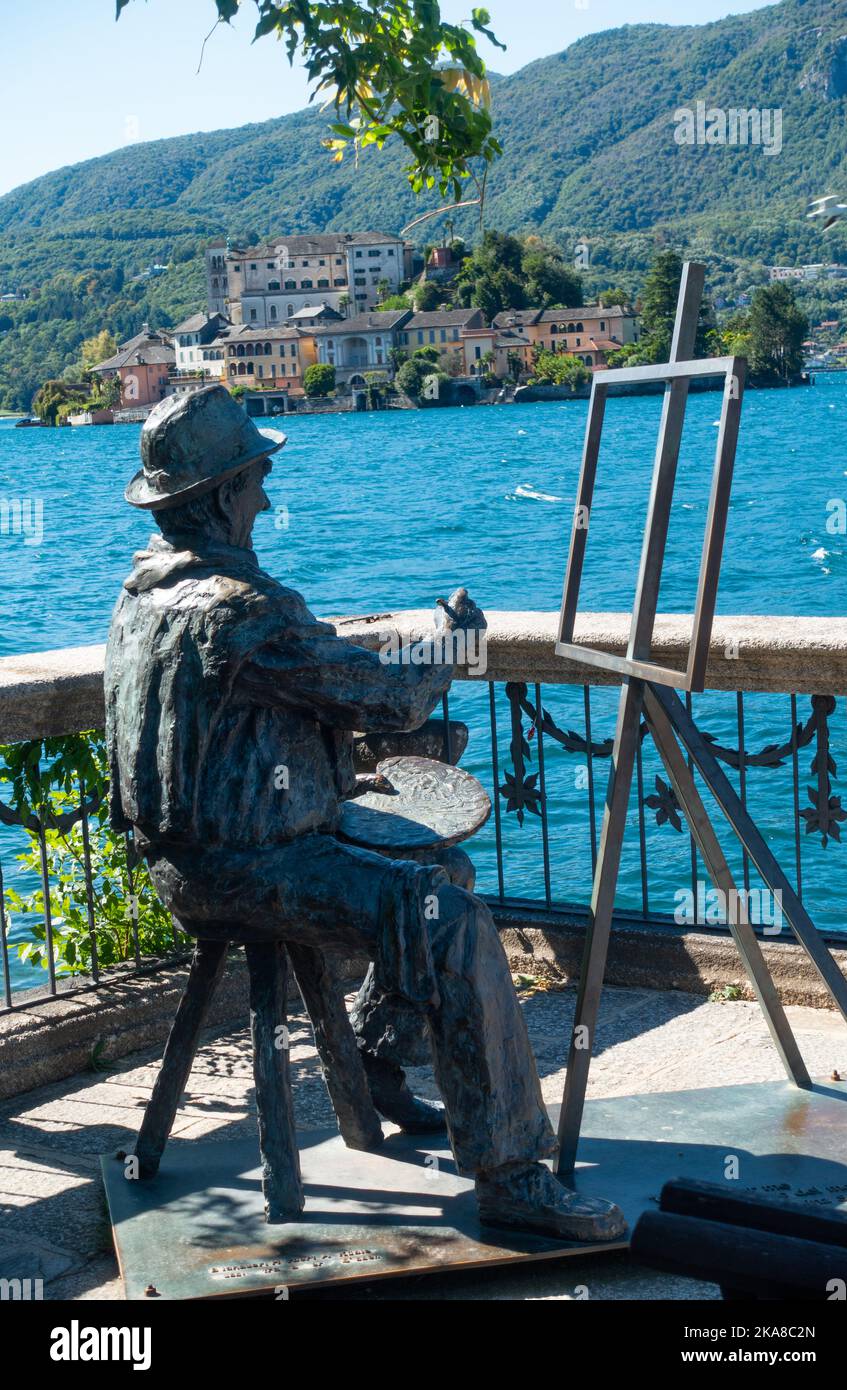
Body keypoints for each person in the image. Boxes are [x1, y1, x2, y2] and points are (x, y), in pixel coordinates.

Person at [105, 384, 625, 1242]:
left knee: (439, 871)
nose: (268, 497)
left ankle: (380, 1061)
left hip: (184, 862)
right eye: (257, 479)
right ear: (223, 496)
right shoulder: (240, 610)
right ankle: (509, 1173)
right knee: (452, 920)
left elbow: (268, 688)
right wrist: (450, 639)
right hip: (250, 870)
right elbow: (387, 702)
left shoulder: (142, 599)